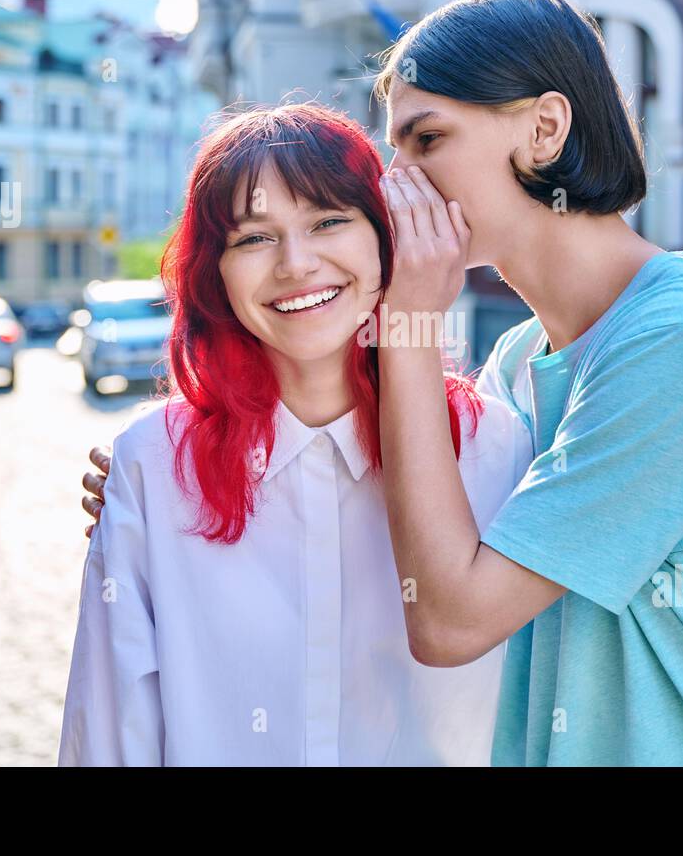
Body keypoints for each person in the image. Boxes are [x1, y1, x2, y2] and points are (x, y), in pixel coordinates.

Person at [84, 0, 683, 767]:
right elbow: (391, 509)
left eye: (426, 140)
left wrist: (410, 324)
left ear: (544, 129)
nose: (393, 181)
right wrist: (155, 483)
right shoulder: (513, 370)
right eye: (392, 150)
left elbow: (448, 622)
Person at [59, 104, 533, 766]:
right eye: (253, 238)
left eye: (329, 221)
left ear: (385, 237)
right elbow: (109, 736)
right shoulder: (150, 466)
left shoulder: (494, 448)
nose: (296, 263)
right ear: (214, 274)